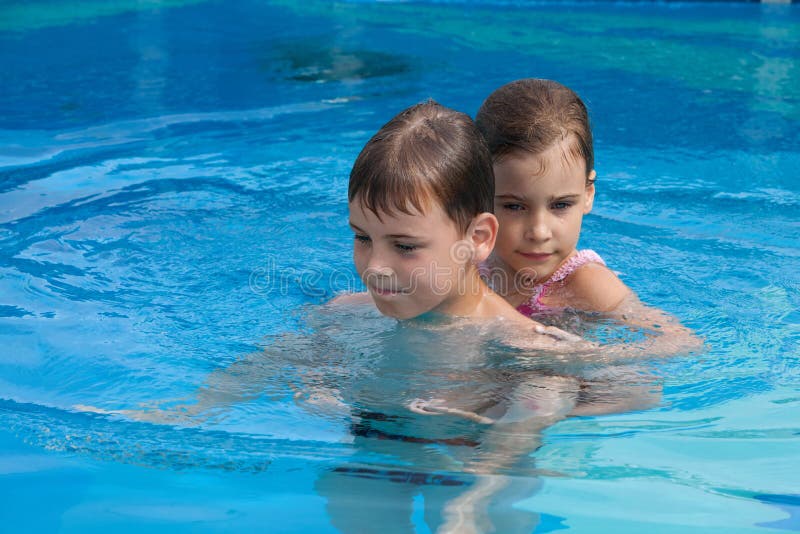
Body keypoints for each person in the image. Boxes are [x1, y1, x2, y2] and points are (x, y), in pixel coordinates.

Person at [475, 78, 702, 353]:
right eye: (514, 206)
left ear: (588, 195)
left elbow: (681, 341)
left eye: (560, 205)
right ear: (479, 196)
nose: (539, 231)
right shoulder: (473, 266)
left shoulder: (586, 285)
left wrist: (583, 353)